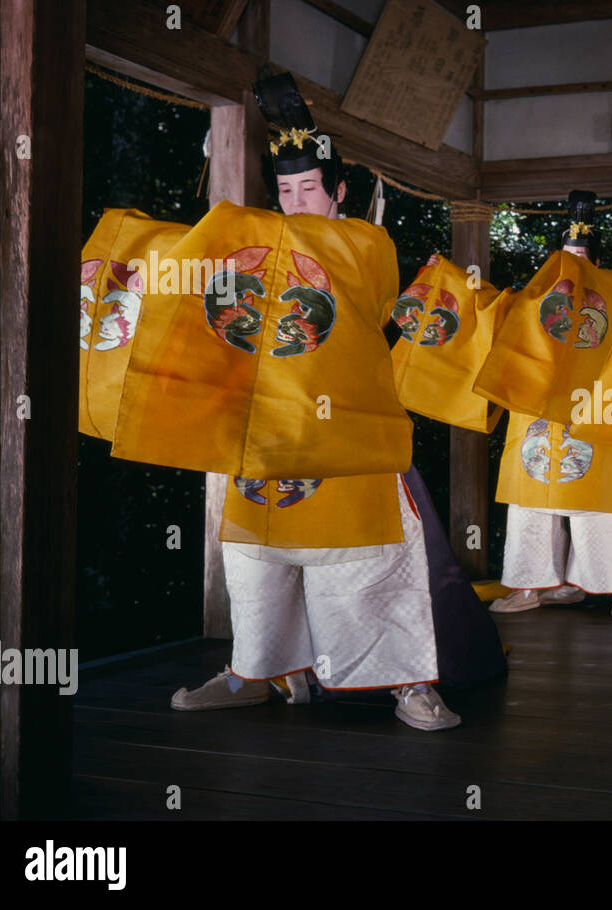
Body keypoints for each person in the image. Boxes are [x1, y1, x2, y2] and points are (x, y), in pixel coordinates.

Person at [160, 73, 463, 730]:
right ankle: (255, 672)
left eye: (309, 191)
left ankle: (406, 683)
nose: (296, 203)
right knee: (254, 559)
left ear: (340, 194)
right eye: (287, 191)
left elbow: (361, 298)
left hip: (344, 427)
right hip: (265, 426)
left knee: (367, 558)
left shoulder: (365, 243)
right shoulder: (256, 244)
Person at [485, 192, 612, 618]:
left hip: (595, 406)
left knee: (602, 501)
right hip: (536, 407)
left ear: (594, 256)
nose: (573, 261)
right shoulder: (536, 292)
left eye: (581, 253)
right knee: (529, 503)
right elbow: (495, 319)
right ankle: (528, 587)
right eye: (567, 253)